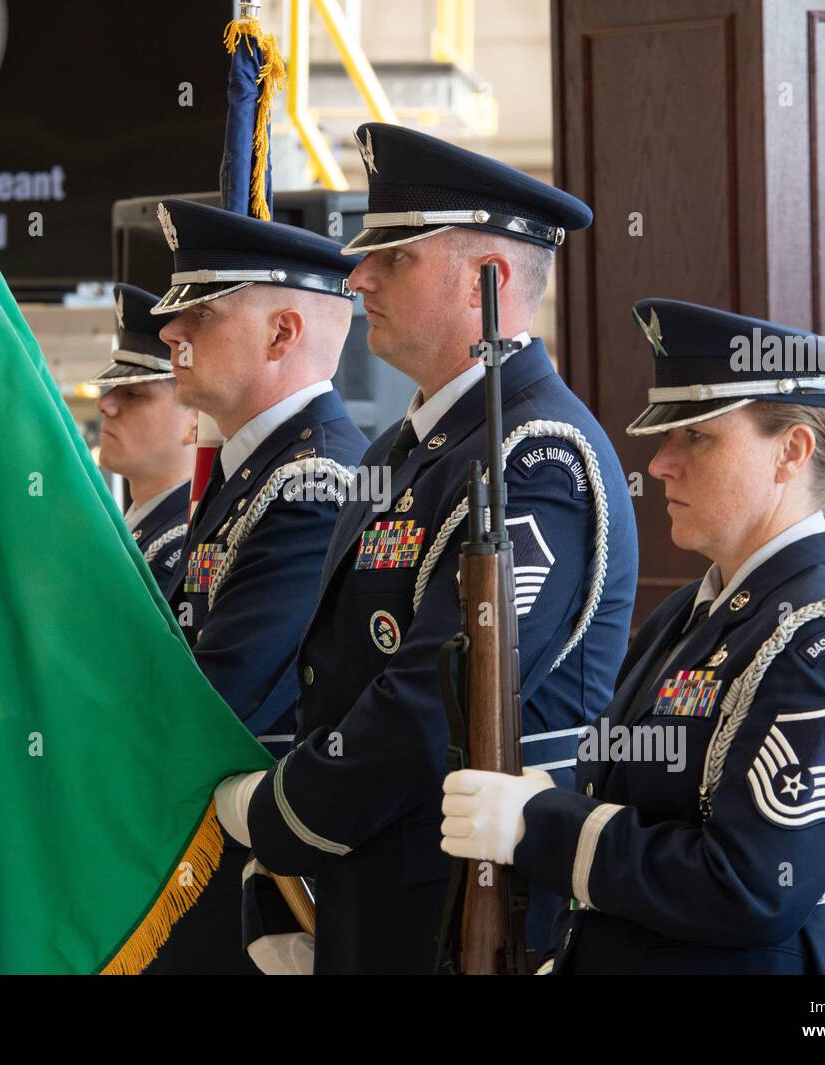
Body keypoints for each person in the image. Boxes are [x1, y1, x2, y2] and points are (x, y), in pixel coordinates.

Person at [214, 123, 639, 973]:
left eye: (396, 257)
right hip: (375, 891)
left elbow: (432, 701)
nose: (358, 275)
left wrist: (278, 815)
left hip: (465, 911)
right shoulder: (404, 450)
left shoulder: (540, 456)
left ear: (490, 281)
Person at [440, 298, 825, 975]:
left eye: (697, 438)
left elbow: (749, 886)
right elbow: (641, 787)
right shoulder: (694, 611)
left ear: (792, 451)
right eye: (666, 438)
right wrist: (552, 790)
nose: (659, 464)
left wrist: (541, 823)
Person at [146, 198, 368, 974]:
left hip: (254, 875)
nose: (170, 332)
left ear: (282, 334)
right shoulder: (255, 470)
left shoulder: (313, 481)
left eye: (201, 313)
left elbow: (222, 696)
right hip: (210, 857)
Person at [91, 283, 196, 595]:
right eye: (113, 391)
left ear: (196, 421)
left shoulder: (181, 546)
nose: (105, 404)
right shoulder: (146, 527)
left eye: (135, 394)